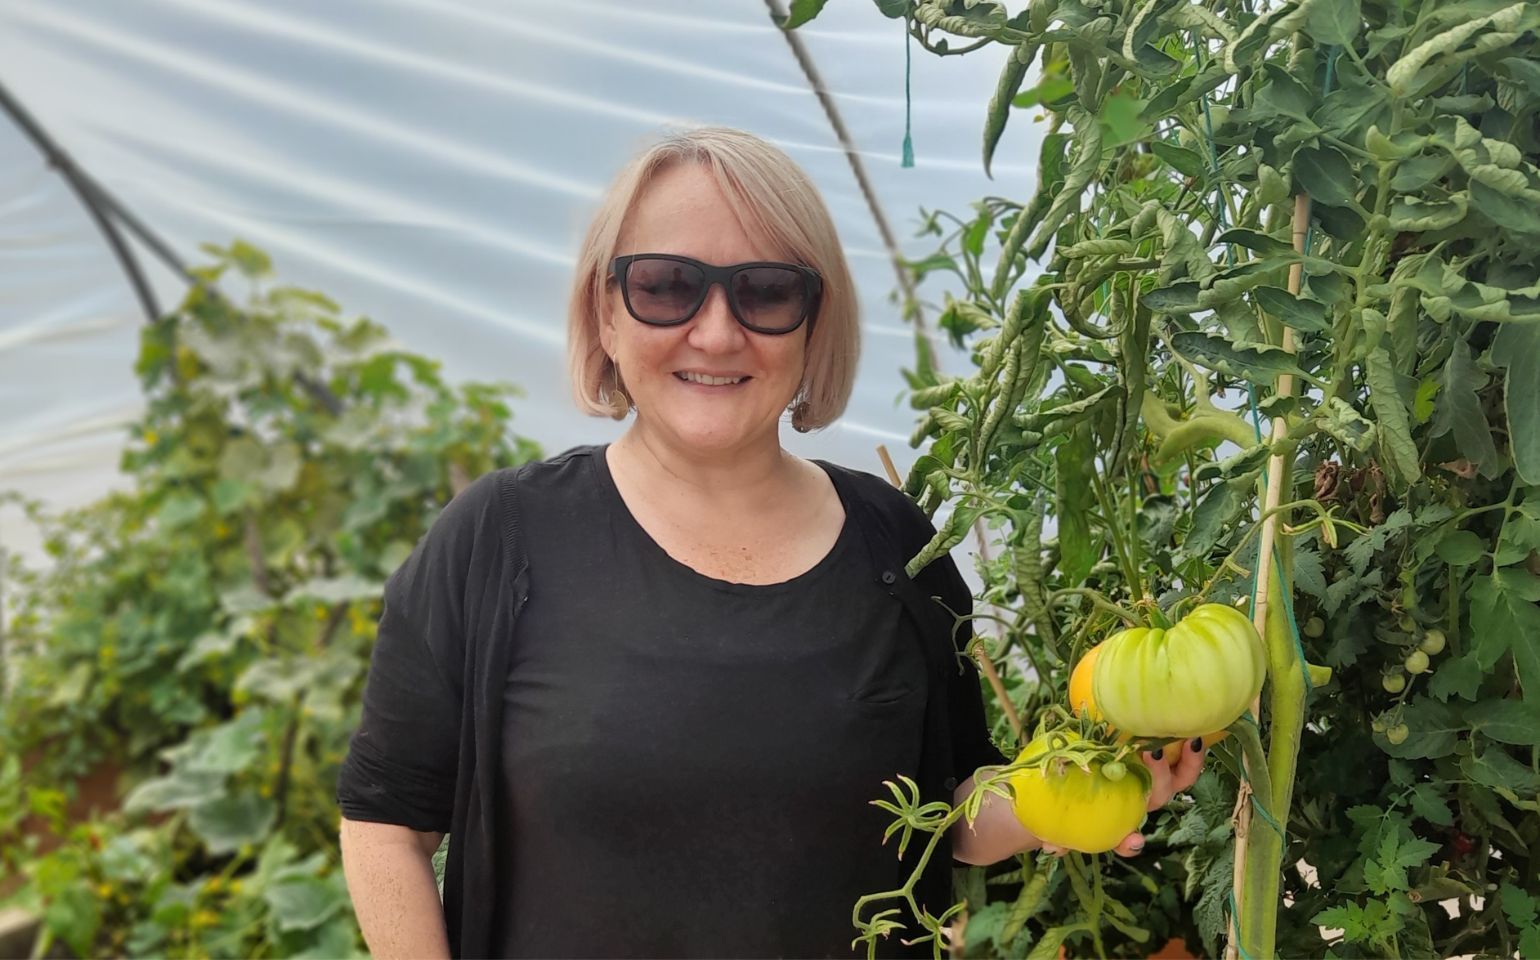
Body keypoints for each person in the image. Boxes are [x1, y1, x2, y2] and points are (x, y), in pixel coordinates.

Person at [336, 126, 1203, 959]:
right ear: (605, 312)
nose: (716, 332)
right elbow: (385, 822)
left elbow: (952, 807)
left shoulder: (895, 547)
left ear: (815, 323)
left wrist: (1076, 793)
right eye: (667, 285)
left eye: (766, 291)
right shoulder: (501, 539)